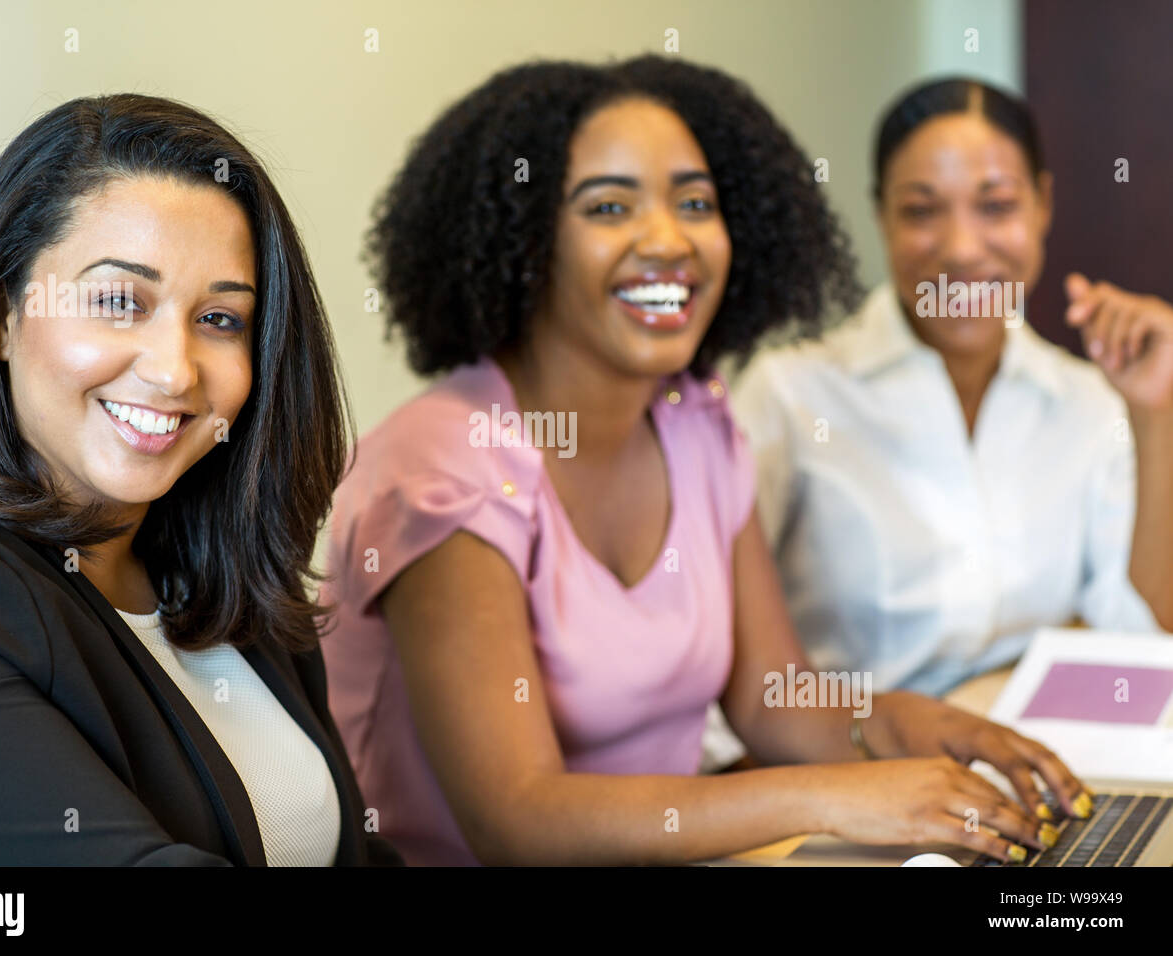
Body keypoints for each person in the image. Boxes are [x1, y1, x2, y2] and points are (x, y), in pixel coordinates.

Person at [321, 57, 1090, 867]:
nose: (668, 239)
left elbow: (772, 700)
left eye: (696, 203)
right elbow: (518, 820)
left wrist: (910, 722)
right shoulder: (445, 467)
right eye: (609, 207)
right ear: (523, 239)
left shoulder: (697, 425)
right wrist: (835, 794)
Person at [0, 94, 400, 866]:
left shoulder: (220, 569)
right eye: (121, 301)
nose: (173, 368)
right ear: (1, 316)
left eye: (220, 319)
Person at [728, 77, 1173, 707]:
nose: (962, 249)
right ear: (880, 214)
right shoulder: (790, 396)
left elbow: (1140, 641)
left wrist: (1157, 413)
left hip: (1032, 765)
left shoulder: (1090, 405)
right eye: (921, 210)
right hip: (849, 775)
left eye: (996, 206)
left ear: (1043, 205)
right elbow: (716, 659)